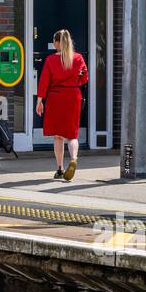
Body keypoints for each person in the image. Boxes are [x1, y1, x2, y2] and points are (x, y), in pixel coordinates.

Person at [36, 29, 89, 181]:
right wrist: (75, 82)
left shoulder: (51, 60)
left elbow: (44, 81)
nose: (53, 44)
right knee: (72, 135)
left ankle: (60, 169)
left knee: (58, 136)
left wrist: (39, 101)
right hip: (73, 96)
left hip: (55, 98)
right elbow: (84, 77)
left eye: (54, 42)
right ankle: (73, 159)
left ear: (58, 43)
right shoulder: (78, 58)